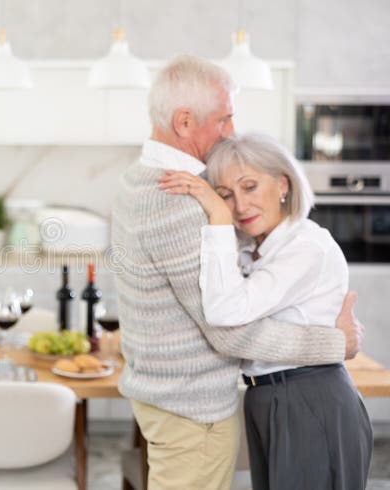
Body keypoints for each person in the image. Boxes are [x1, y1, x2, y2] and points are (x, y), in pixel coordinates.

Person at [110, 54, 364, 490]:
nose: (231, 130)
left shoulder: (140, 180)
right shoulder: (176, 197)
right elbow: (226, 328)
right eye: (225, 119)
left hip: (194, 401)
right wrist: (337, 341)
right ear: (185, 121)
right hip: (194, 410)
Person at [158, 132, 373, 490]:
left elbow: (226, 310)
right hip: (268, 398)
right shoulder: (253, 252)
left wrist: (217, 215)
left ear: (282, 184)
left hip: (309, 399)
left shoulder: (306, 247)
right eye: (225, 194)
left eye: (250, 186)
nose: (239, 206)